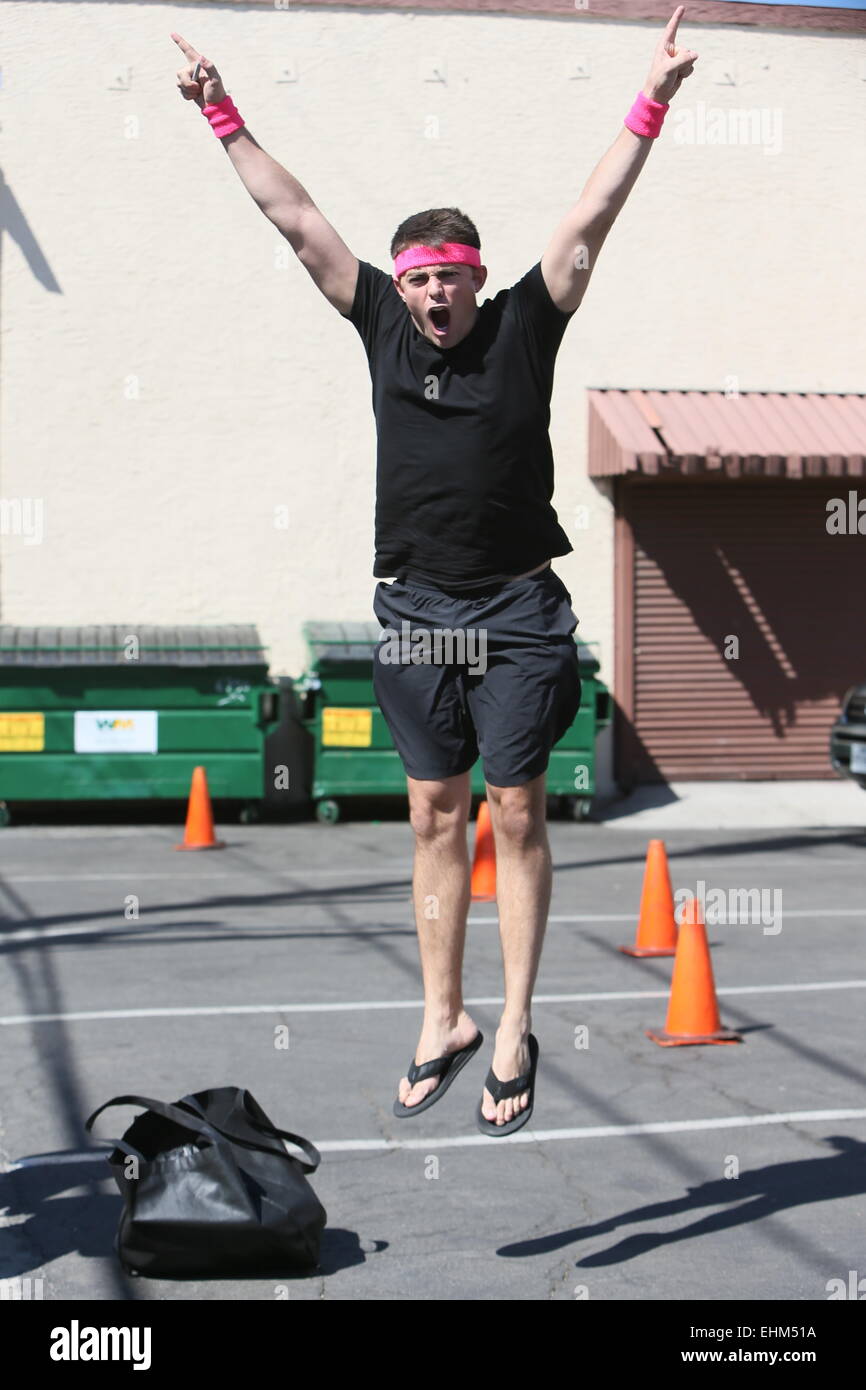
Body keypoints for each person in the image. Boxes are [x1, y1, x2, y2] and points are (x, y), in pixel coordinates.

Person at [171, 9, 697, 1135]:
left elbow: (590, 212)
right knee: (430, 810)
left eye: (451, 278)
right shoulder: (376, 325)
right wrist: (221, 112)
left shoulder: (524, 325)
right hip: (415, 606)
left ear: (474, 277)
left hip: (513, 605)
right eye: (419, 280)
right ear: (403, 287)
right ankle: (442, 1016)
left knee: (513, 809)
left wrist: (650, 98)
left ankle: (511, 1025)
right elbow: (294, 216)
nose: (436, 296)